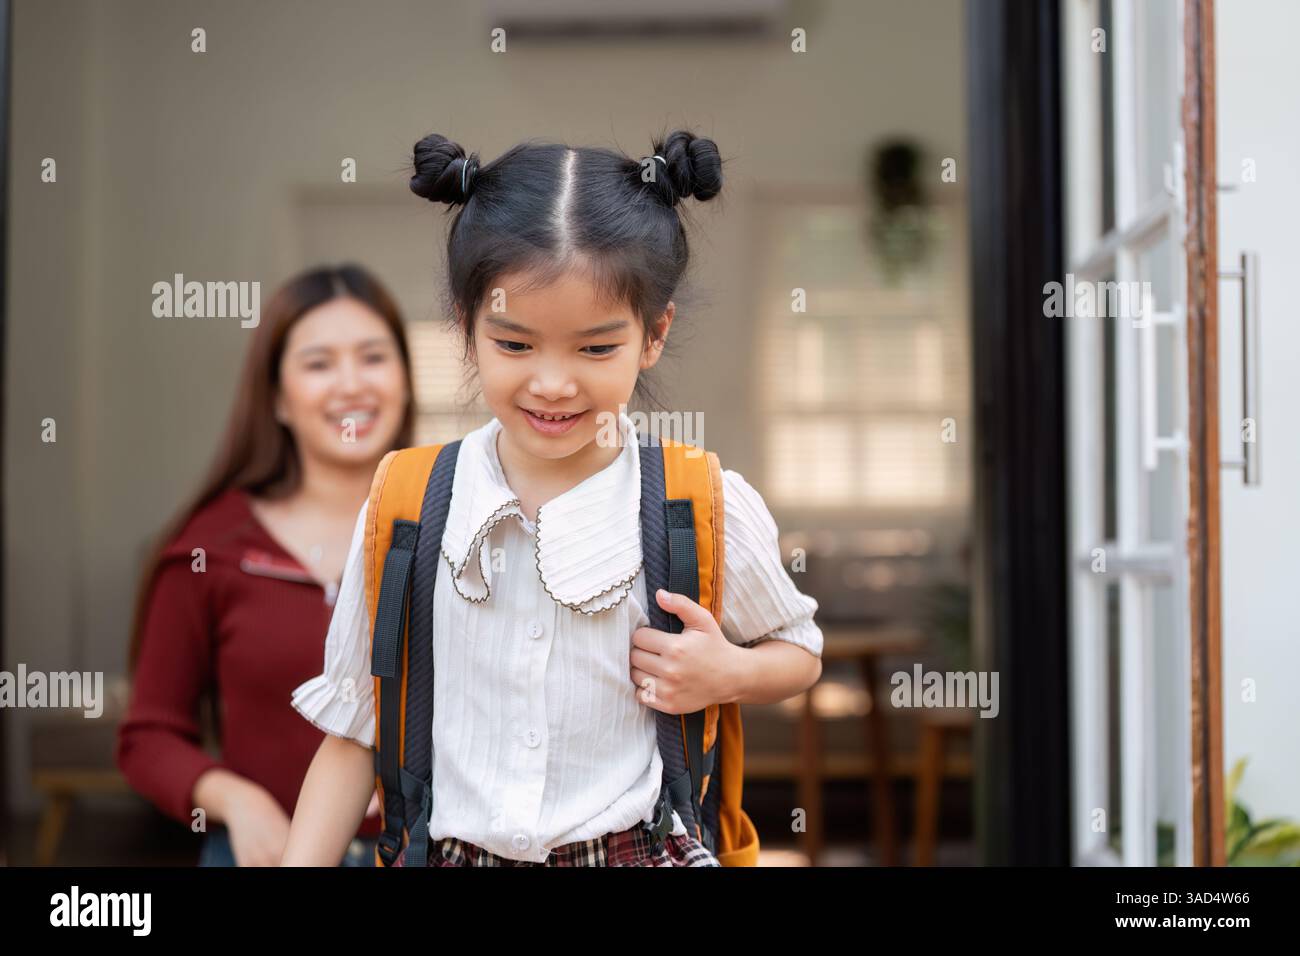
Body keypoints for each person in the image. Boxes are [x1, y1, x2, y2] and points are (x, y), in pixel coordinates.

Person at [281, 131, 824, 867]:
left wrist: (730, 672)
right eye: (515, 344)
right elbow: (352, 730)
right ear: (466, 329)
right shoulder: (406, 501)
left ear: (654, 334)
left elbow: (799, 652)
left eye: (597, 349)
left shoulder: (698, 499)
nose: (553, 383)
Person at [115, 264, 415, 866]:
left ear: (406, 379)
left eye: (373, 357)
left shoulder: (463, 528)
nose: (351, 384)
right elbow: (149, 736)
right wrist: (235, 801)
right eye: (318, 363)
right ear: (277, 396)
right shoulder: (212, 548)